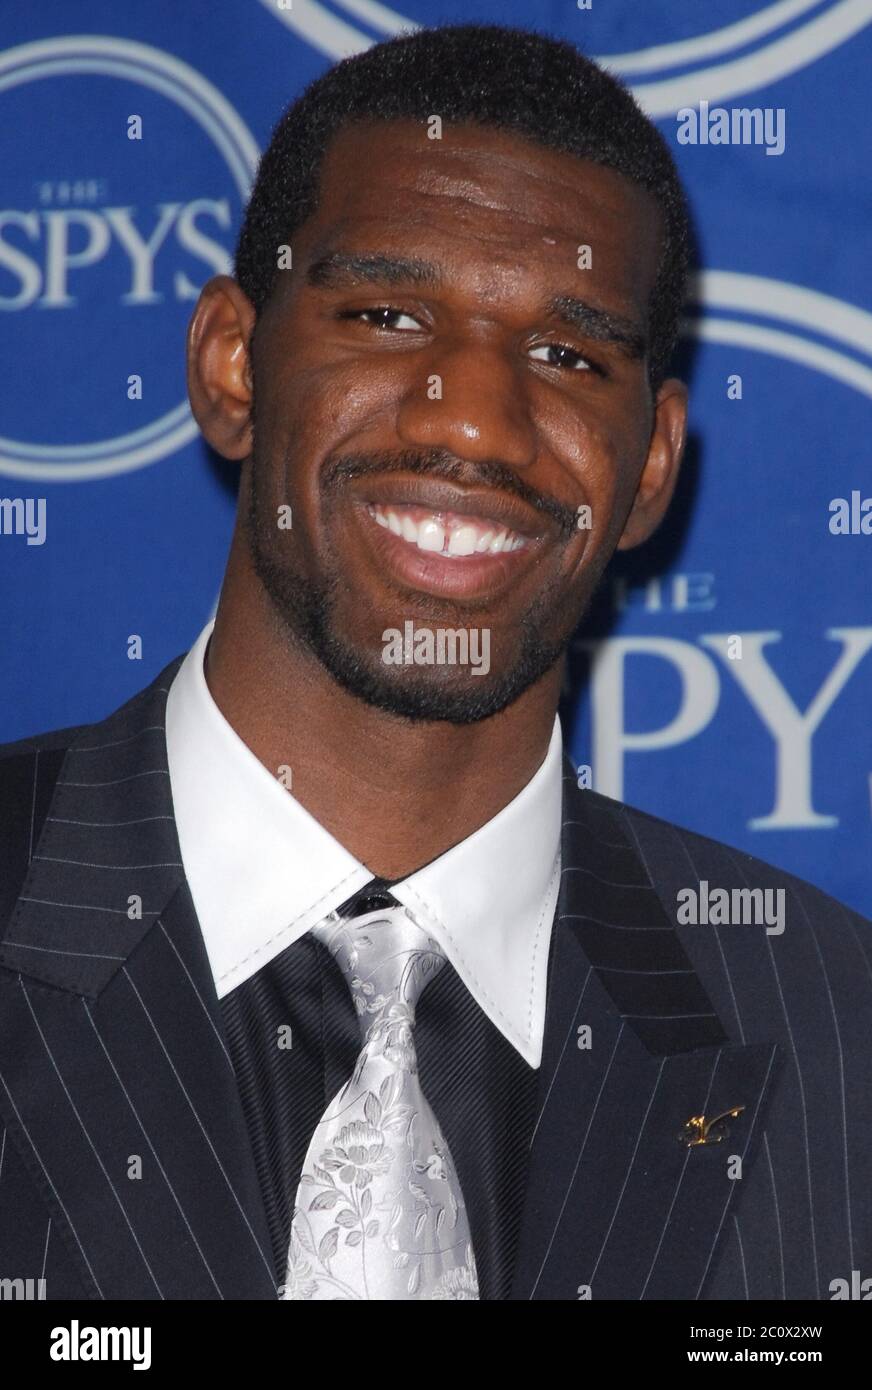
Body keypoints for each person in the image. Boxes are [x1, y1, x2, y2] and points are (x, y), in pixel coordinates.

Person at [0, 23, 869, 1303]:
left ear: (647, 467)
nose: (471, 412)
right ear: (231, 364)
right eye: (388, 313)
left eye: (567, 353)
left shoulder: (836, 1035)